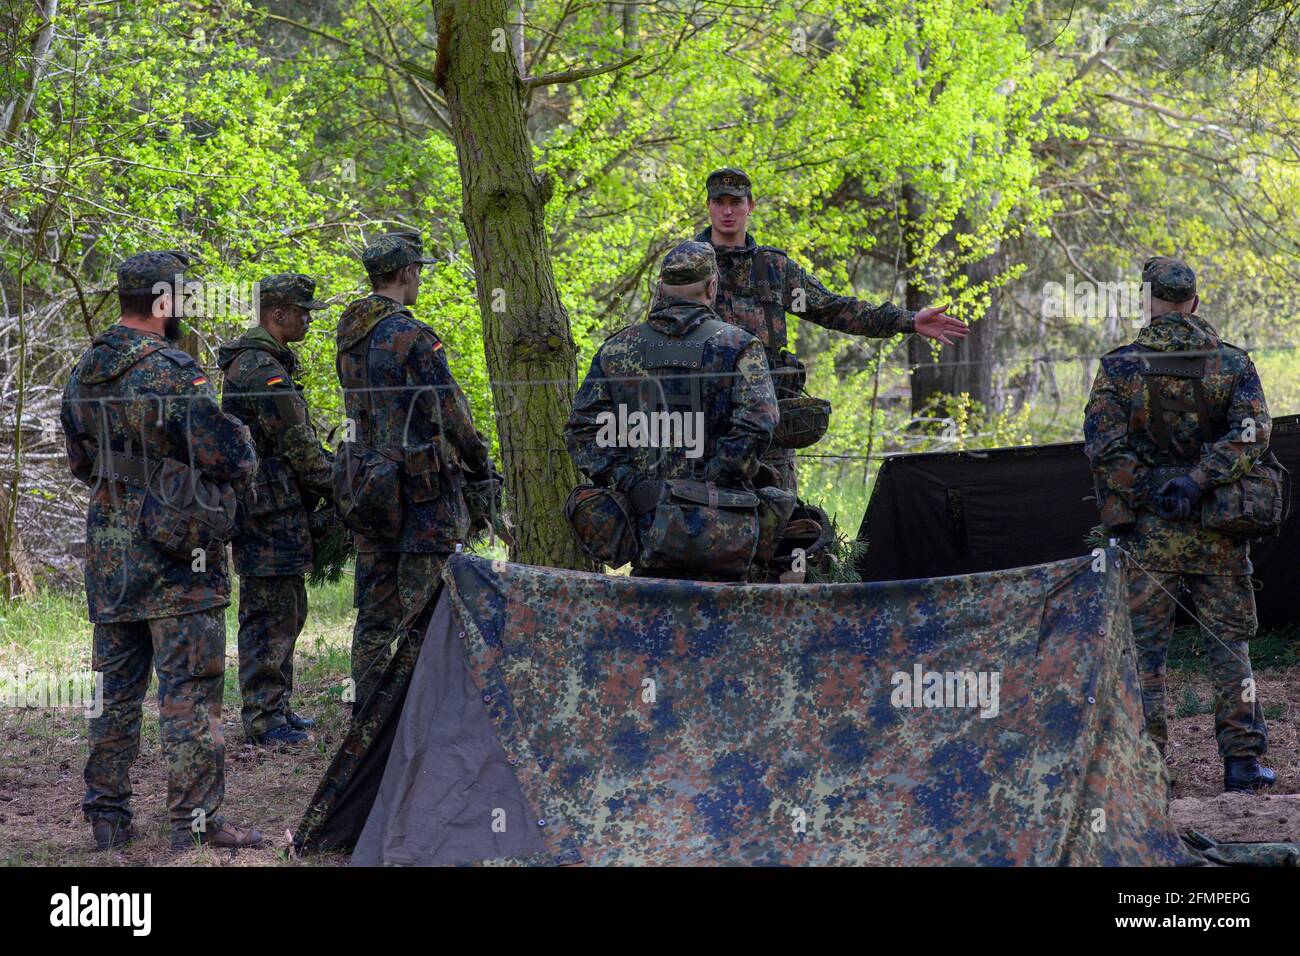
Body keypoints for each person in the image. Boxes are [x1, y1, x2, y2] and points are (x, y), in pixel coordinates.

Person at [60, 250, 265, 850]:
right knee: (191, 694)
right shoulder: (175, 371)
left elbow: (79, 460)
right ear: (164, 302)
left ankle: (107, 818)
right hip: (179, 559)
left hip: (110, 555)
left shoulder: (84, 369)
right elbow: (232, 456)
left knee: (114, 693)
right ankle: (194, 824)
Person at [1084, 256, 1276, 794]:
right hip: (1218, 525)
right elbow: (1252, 434)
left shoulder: (1120, 366)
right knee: (1229, 646)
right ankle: (1242, 763)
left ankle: (1148, 770)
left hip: (1148, 533)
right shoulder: (1232, 364)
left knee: (1144, 654)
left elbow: (1103, 447)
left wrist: (1150, 493)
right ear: (1194, 302)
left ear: (1147, 301)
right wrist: (1197, 482)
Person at [690, 167, 969, 492]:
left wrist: (908, 320)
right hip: (707, 416)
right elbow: (664, 330)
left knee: (780, 518)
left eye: (735, 202)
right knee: (705, 517)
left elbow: (833, 308)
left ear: (750, 205)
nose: (727, 211)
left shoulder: (774, 269)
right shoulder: (687, 266)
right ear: (708, 205)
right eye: (719, 201)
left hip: (768, 422)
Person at [336, 231, 497, 712]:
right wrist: (478, 459)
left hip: (367, 487)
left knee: (374, 614)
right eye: (419, 270)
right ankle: (420, 714)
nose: (420, 278)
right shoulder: (413, 337)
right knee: (426, 611)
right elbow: (448, 409)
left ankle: (367, 716)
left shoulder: (349, 334)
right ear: (407, 273)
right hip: (420, 494)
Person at [566, 240, 778, 579]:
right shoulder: (739, 346)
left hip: (648, 530)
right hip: (723, 528)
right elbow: (760, 422)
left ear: (661, 288)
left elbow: (582, 430)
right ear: (712, 287)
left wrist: (630, 483)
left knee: (652, 622)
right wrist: (713, 480)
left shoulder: (617, 349)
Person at [217, 273, 333, 745]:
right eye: (303, 311)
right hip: (267, 511)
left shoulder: (269, 362)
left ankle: (277, 707)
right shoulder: (259, 368)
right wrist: (337, 483)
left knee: (289, 608)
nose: (308, 319)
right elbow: (297, 443)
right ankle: (264, 718)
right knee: (269, 614)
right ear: (277, 315)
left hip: (277, 506)